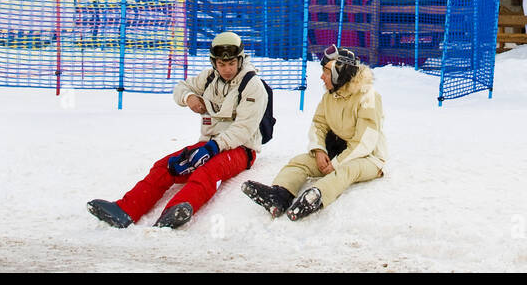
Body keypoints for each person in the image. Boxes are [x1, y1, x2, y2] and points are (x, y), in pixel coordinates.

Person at [87, 31, 267, 230]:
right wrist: (189, 97)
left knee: (208, 170)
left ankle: (177, 211)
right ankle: (126, 210)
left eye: (231, 64)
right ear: (213, 62)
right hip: (209, 143)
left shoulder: (253, 86)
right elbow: (181, 87)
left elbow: (243, 129)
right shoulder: (209, 78)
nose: (226, 69)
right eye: (221, 64)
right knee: (166, 166)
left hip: (241, 148)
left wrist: (213, 148)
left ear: (240, 60)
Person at [242, 46, 386, 221]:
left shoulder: (368, 97)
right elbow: (319, 124)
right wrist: (319, 150)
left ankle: (316, 196)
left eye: (326, 71)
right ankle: (279, 195)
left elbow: (365, 142)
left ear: (338, 73)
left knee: (348, 169)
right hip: (336, 151)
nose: (322, 77)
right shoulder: (330, 96)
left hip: (368, 157)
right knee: (299, 162)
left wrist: (337, 163)